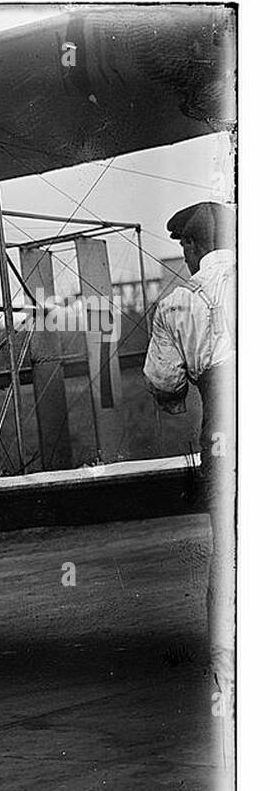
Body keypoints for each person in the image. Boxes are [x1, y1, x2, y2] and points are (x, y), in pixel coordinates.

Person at [143, 201, 234, 690]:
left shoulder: (179, 303)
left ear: (194, 247)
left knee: (230, 551)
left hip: (226, 436)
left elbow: (163, 383)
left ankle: (232, 679)